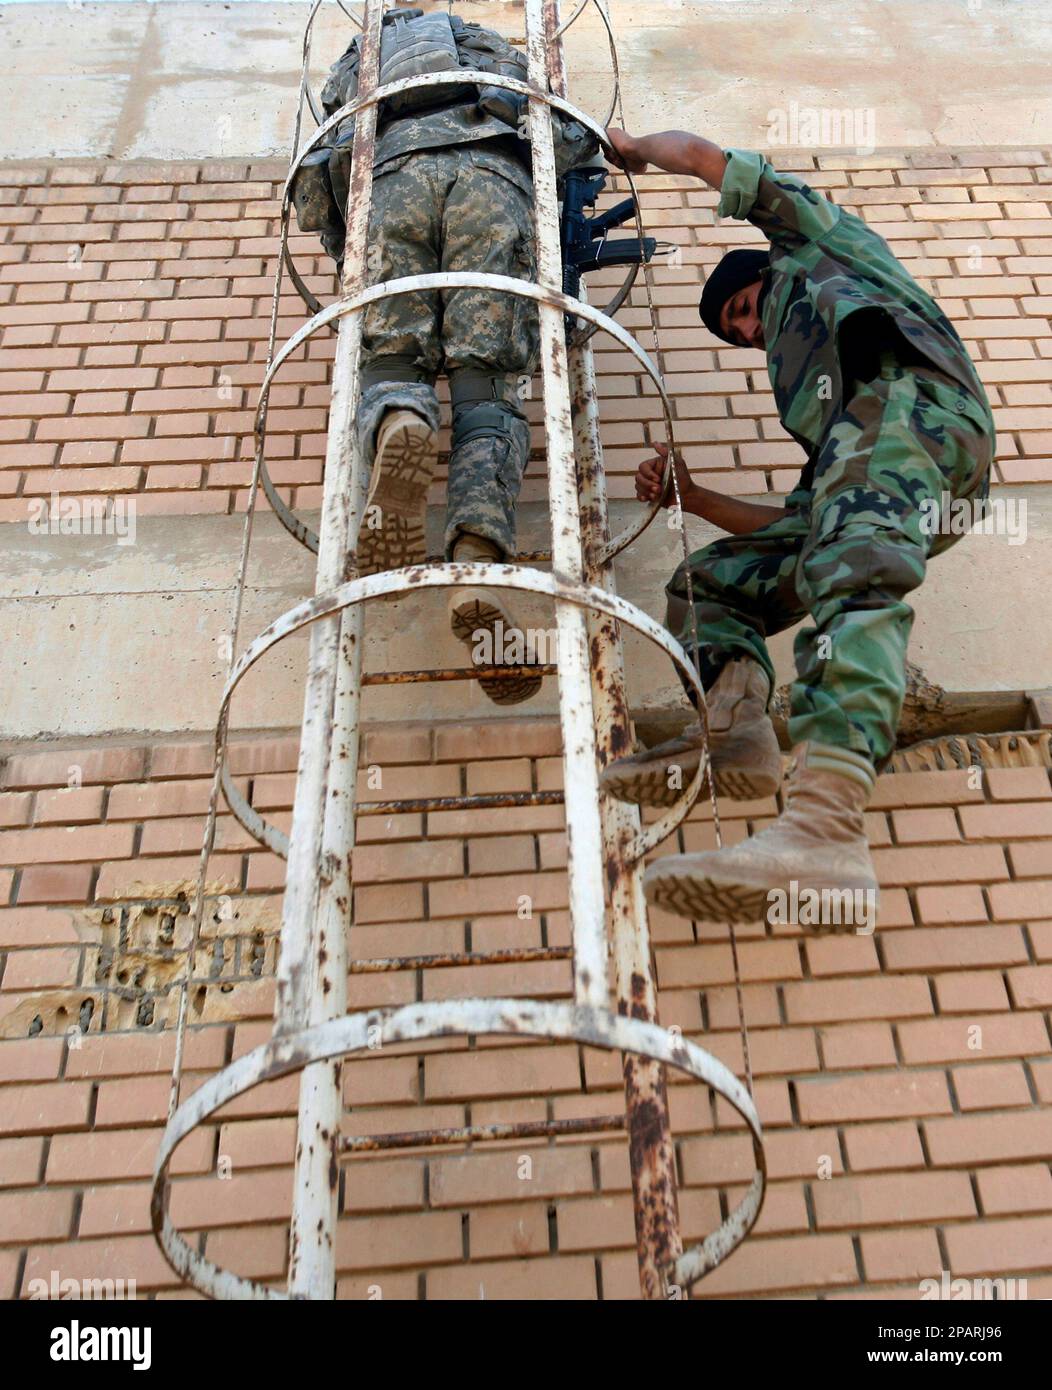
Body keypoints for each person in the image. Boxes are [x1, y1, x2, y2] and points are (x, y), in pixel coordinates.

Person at [600, 127, 995, 927]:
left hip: (919, 412)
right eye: (736, 335)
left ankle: (826, 826)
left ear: (763, 274)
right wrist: (694, 497)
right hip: (879, 460)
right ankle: (738, 731)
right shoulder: (830, 423)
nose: (748, 331)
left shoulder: (815, 239)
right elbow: (798, 523)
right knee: (712, 584)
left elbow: (707, 158)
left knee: (851, 563)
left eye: (743, 310)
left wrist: (635, 147)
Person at [293, 5, 597, 704]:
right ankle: (472, 565)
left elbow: (316, 192)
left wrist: (351, 250)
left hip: (389, 179)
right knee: (486, 389)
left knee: (390, 357)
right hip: (491, 180)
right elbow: (568, 138)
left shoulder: (362, 60)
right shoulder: (488, 52)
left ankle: (402, 420)